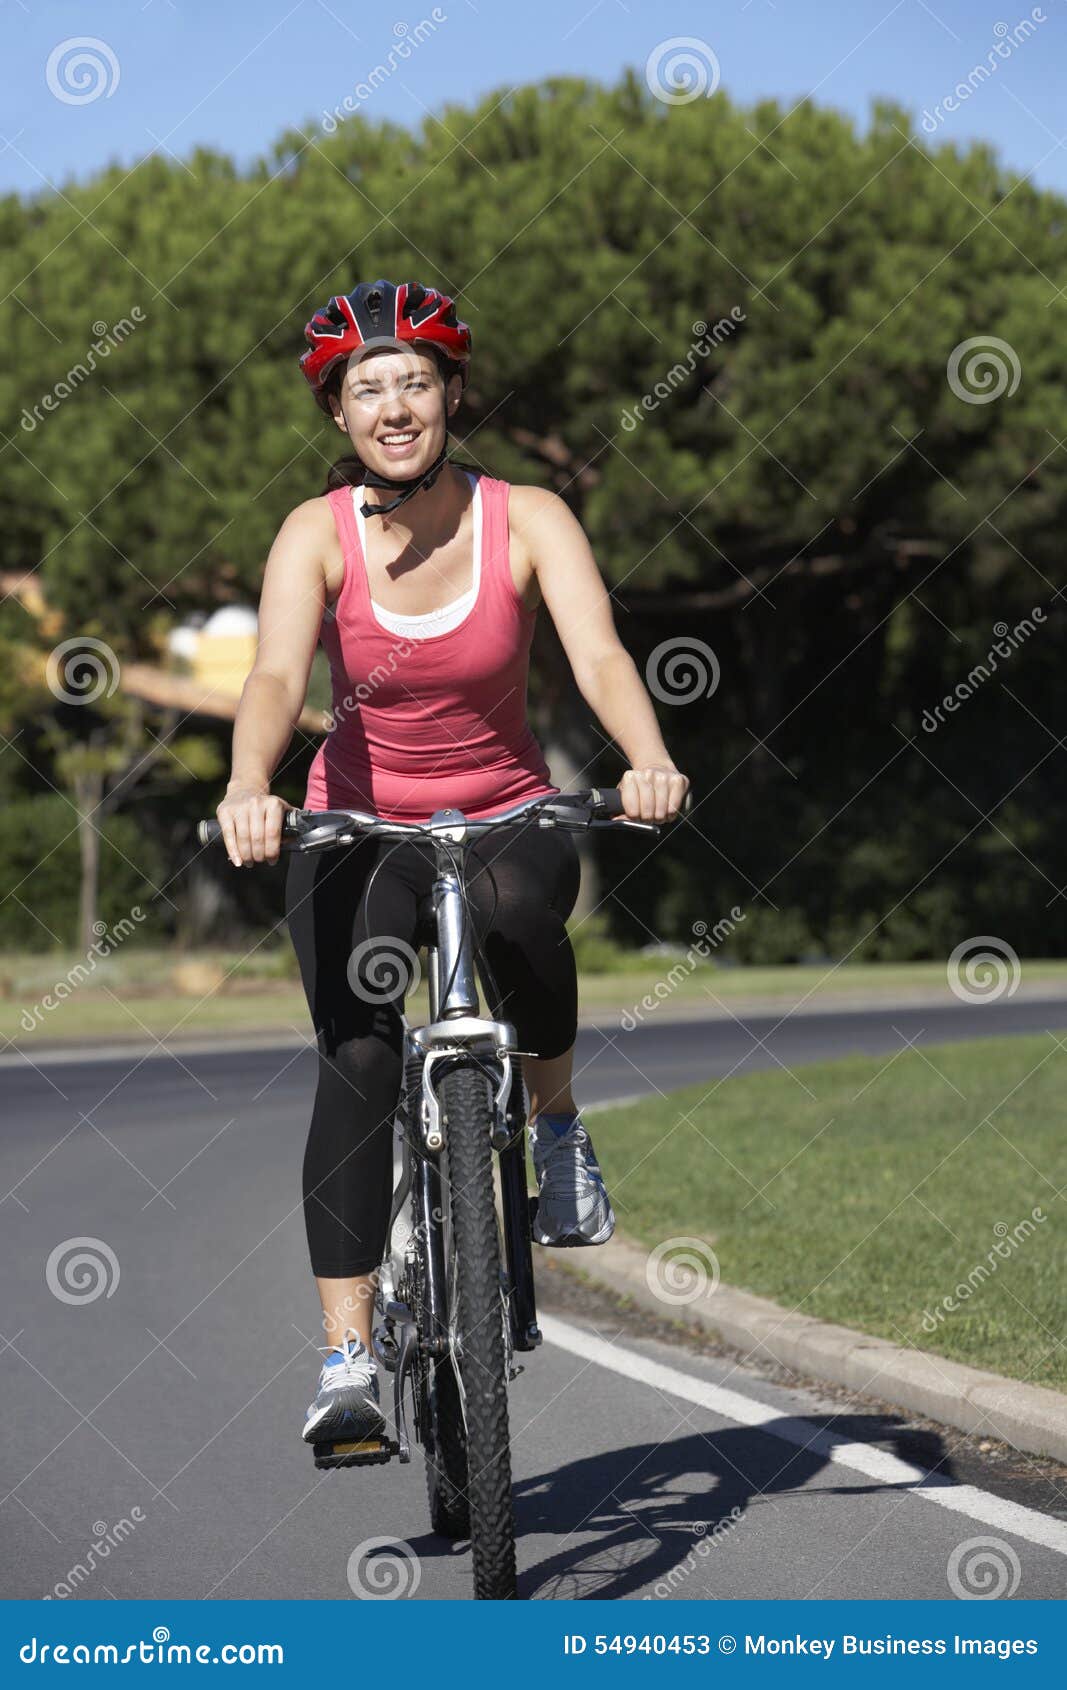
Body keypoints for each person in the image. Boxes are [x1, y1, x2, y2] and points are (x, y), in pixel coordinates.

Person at [215, 280, 691, 1450]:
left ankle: (558, 1121)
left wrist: (647, 757)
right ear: (339, 413)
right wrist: (247, 783)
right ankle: (344, 1358)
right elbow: (275, 677)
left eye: (414, 382)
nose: (393, 405)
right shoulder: (309, 535)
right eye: (366, 387)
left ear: (452, 395)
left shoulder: (525, 519)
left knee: (529, 921)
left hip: (499, 812)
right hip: (356, 828)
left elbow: (597, 650)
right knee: (362, 1057)